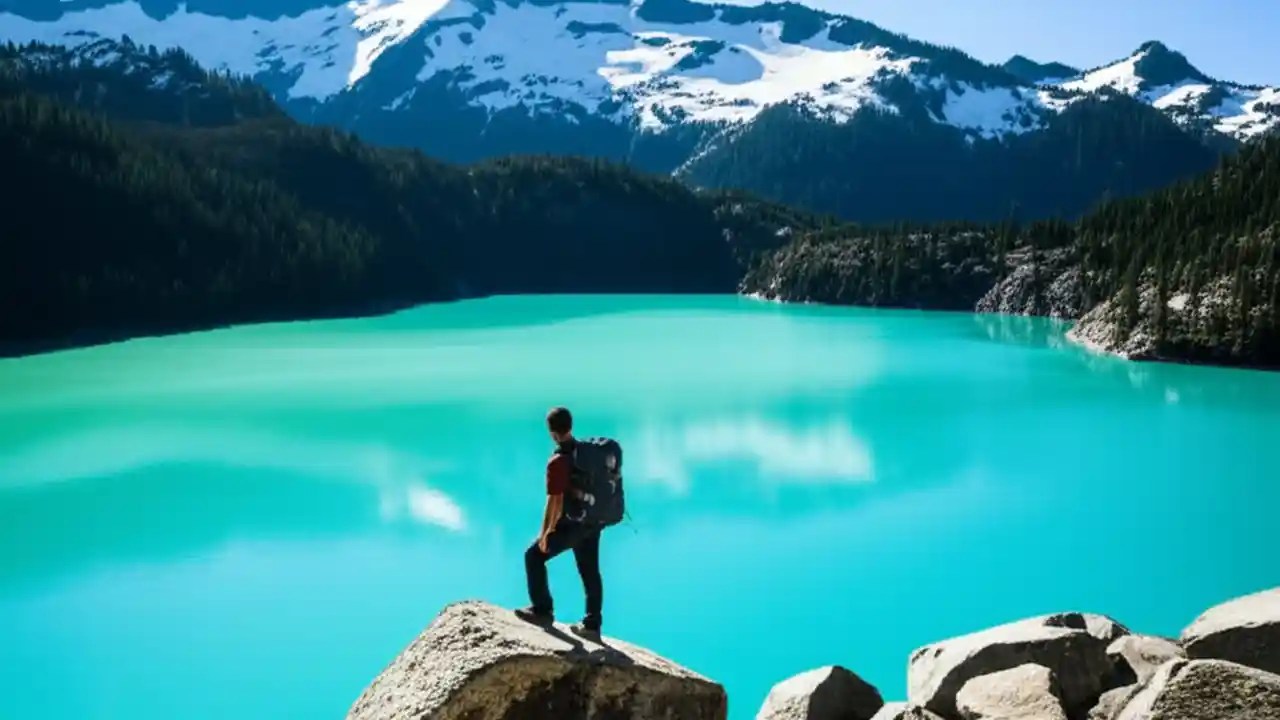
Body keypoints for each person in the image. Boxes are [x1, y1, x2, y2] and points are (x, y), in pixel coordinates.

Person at [515, 406, 604, 638]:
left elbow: (554, 503)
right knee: (590, 572)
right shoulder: (586, 452)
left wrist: (545, 534)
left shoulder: (558, 462)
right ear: (570, 427)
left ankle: (542, 610)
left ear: (552, 432)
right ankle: (592, 625)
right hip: (592, 522)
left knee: (533, 556)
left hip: (573, 524)